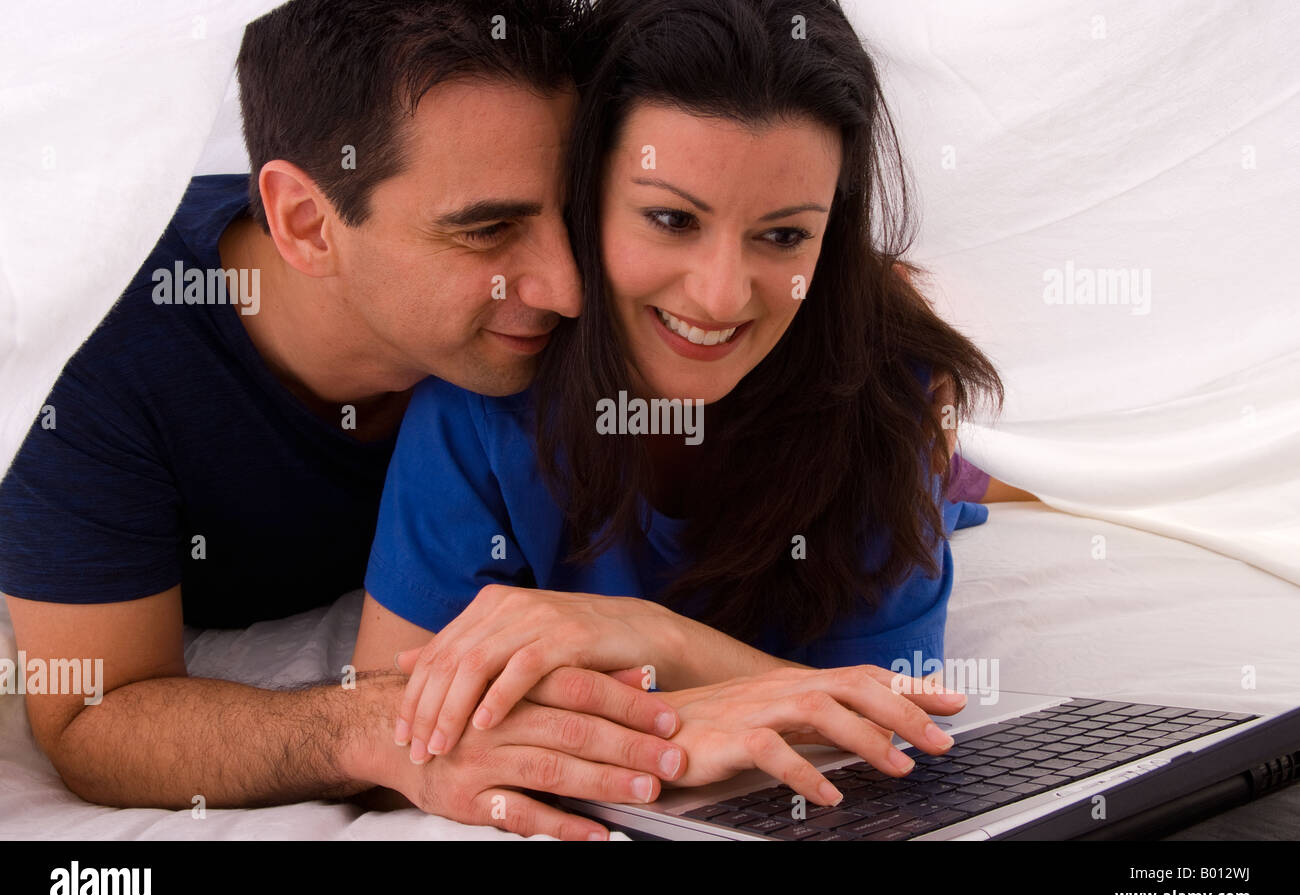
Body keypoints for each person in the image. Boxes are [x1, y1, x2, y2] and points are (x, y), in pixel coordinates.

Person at [0, 0, 705, 839]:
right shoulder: (95, 352)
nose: (569, 288)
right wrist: (377, 727)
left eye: (573, 211)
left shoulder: (604, 302)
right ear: (306, 222)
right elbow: (90, 713)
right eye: (488, 230)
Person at [355, 0, 1009, 833]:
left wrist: (654, 637)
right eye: (671, 219)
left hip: (903, 438)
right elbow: (387, 740)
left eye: (783, 236)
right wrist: (674, 729)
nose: (720, 295)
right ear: (585, 199)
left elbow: (889, 728)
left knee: (964, 484)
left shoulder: (886, 394)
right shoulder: (484, 399)